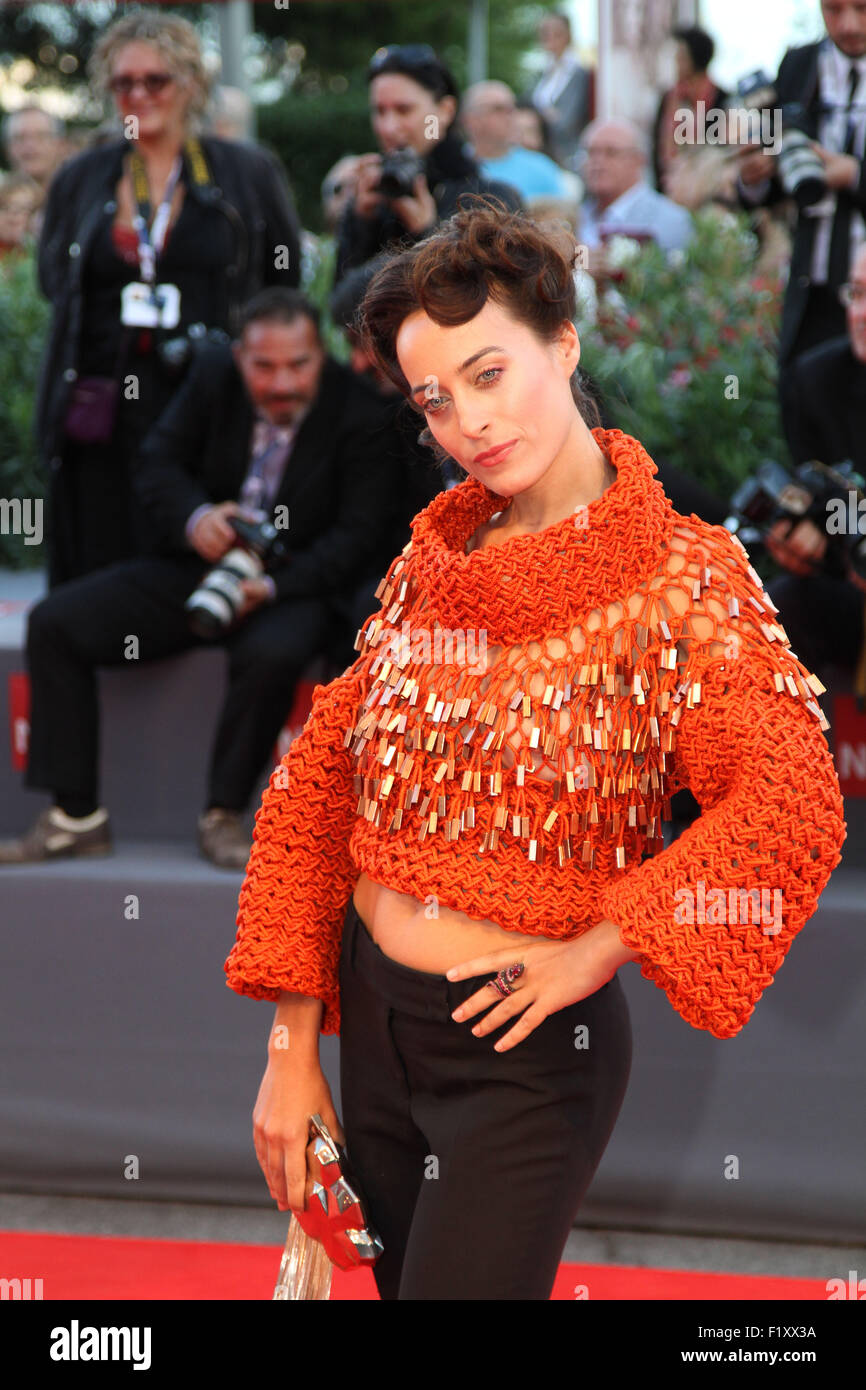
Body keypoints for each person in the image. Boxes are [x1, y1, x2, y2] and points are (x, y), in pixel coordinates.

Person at [224, 199, 846, 1301]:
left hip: (523, 1060)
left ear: (563, 343)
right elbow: (320, 789)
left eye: (487, 371)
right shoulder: (433, 560)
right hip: (368, 1031)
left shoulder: (680, 578)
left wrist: (600, 944)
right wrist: (291, 1048)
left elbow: (786, 799)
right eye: (434, 398)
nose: (467, 420)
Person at [0, 288, 396, 869]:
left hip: (296, 583)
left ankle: (223, 816)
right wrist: (197, 518)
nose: (281, 382)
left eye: (298, 365)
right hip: (199, 567)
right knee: (56, 622)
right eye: (264, 366)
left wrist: (273, 588)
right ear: (239, 357)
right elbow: (157, 463)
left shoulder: (359, 411)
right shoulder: (213, 381)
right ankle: (75, 817)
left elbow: (358, 537)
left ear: (323, 354)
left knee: (272, 654)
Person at [34, 9, 302, 588]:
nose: (138, 94)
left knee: (191, 570)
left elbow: (284, 280)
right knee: (97, 570)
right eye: (123, 82)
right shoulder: (80, 176)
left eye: (155, 80)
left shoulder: (245, 171)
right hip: (101, 404)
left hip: (206, 400)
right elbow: (53, 279)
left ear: (190, 86)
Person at [736, 0, 866, 374]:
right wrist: (755, 175)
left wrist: (854, 175)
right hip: (813, 291)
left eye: (861, 8)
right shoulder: (799, 65)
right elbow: (780, 175)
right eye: (834, 9)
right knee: (805, 411)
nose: (849, 25)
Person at [762, 239, 866, 689]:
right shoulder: (817, 379)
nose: (861, 313)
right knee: (782, 605)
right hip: (852, 587)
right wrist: (802, 532)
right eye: (857, 294)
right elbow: (817, 493)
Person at [333, 43, 522, 287]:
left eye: (404, 110)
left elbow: (487, 302)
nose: (389, 127)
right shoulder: (374, 198)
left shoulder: (489, 200)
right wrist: (362, 223)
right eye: (379, 111)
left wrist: (427, 235)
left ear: (445, 110)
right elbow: (340, 308)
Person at [577, 117, 695, 255]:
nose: (598, 162)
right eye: (591, 152)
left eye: (611, 153)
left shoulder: (672, 221)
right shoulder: (575, 216)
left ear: (639, 160)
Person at [461, 80, 577, 205]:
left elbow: (563, 219)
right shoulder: (452, 164)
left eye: (512, 109)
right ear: (469, 119)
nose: (509, 116)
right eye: (498, 109)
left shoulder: (542, 168)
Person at [652, 25, 728, 195]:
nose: (676, 62)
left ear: (696, 59)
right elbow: (657, 147)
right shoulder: (669, 98)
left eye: (681, 56)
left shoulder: (721, 99)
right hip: (669, 188)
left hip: (709, 190)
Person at [526, 11, 593, 167]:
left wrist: (539, 117)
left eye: (556, 32)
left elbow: (568, 121)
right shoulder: (542, 74)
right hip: (542, 154)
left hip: (567, 157)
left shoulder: (577, 73)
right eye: (545, 33)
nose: (549, 37)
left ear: (567, 35)